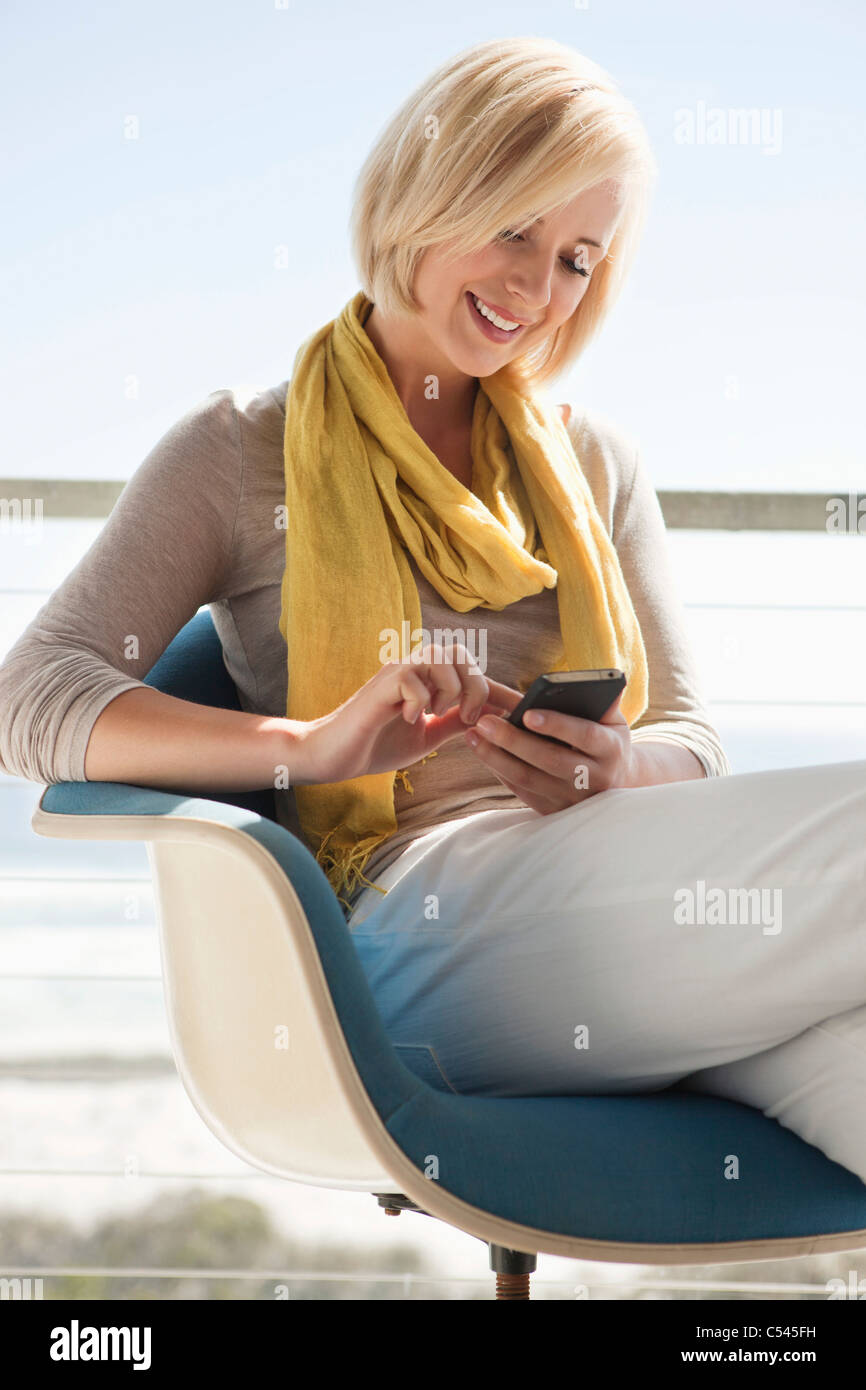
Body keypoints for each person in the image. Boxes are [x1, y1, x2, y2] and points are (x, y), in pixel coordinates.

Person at [1, 36, 864, 1184]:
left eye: (573, 258)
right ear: (429, 191)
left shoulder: (594, 463)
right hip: (414, 937)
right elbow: (33, 697)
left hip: (631, 909)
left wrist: (615, 768)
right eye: (512, 227)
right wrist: (304, 746)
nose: (533, 288)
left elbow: (690, 740)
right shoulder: (238, 452)